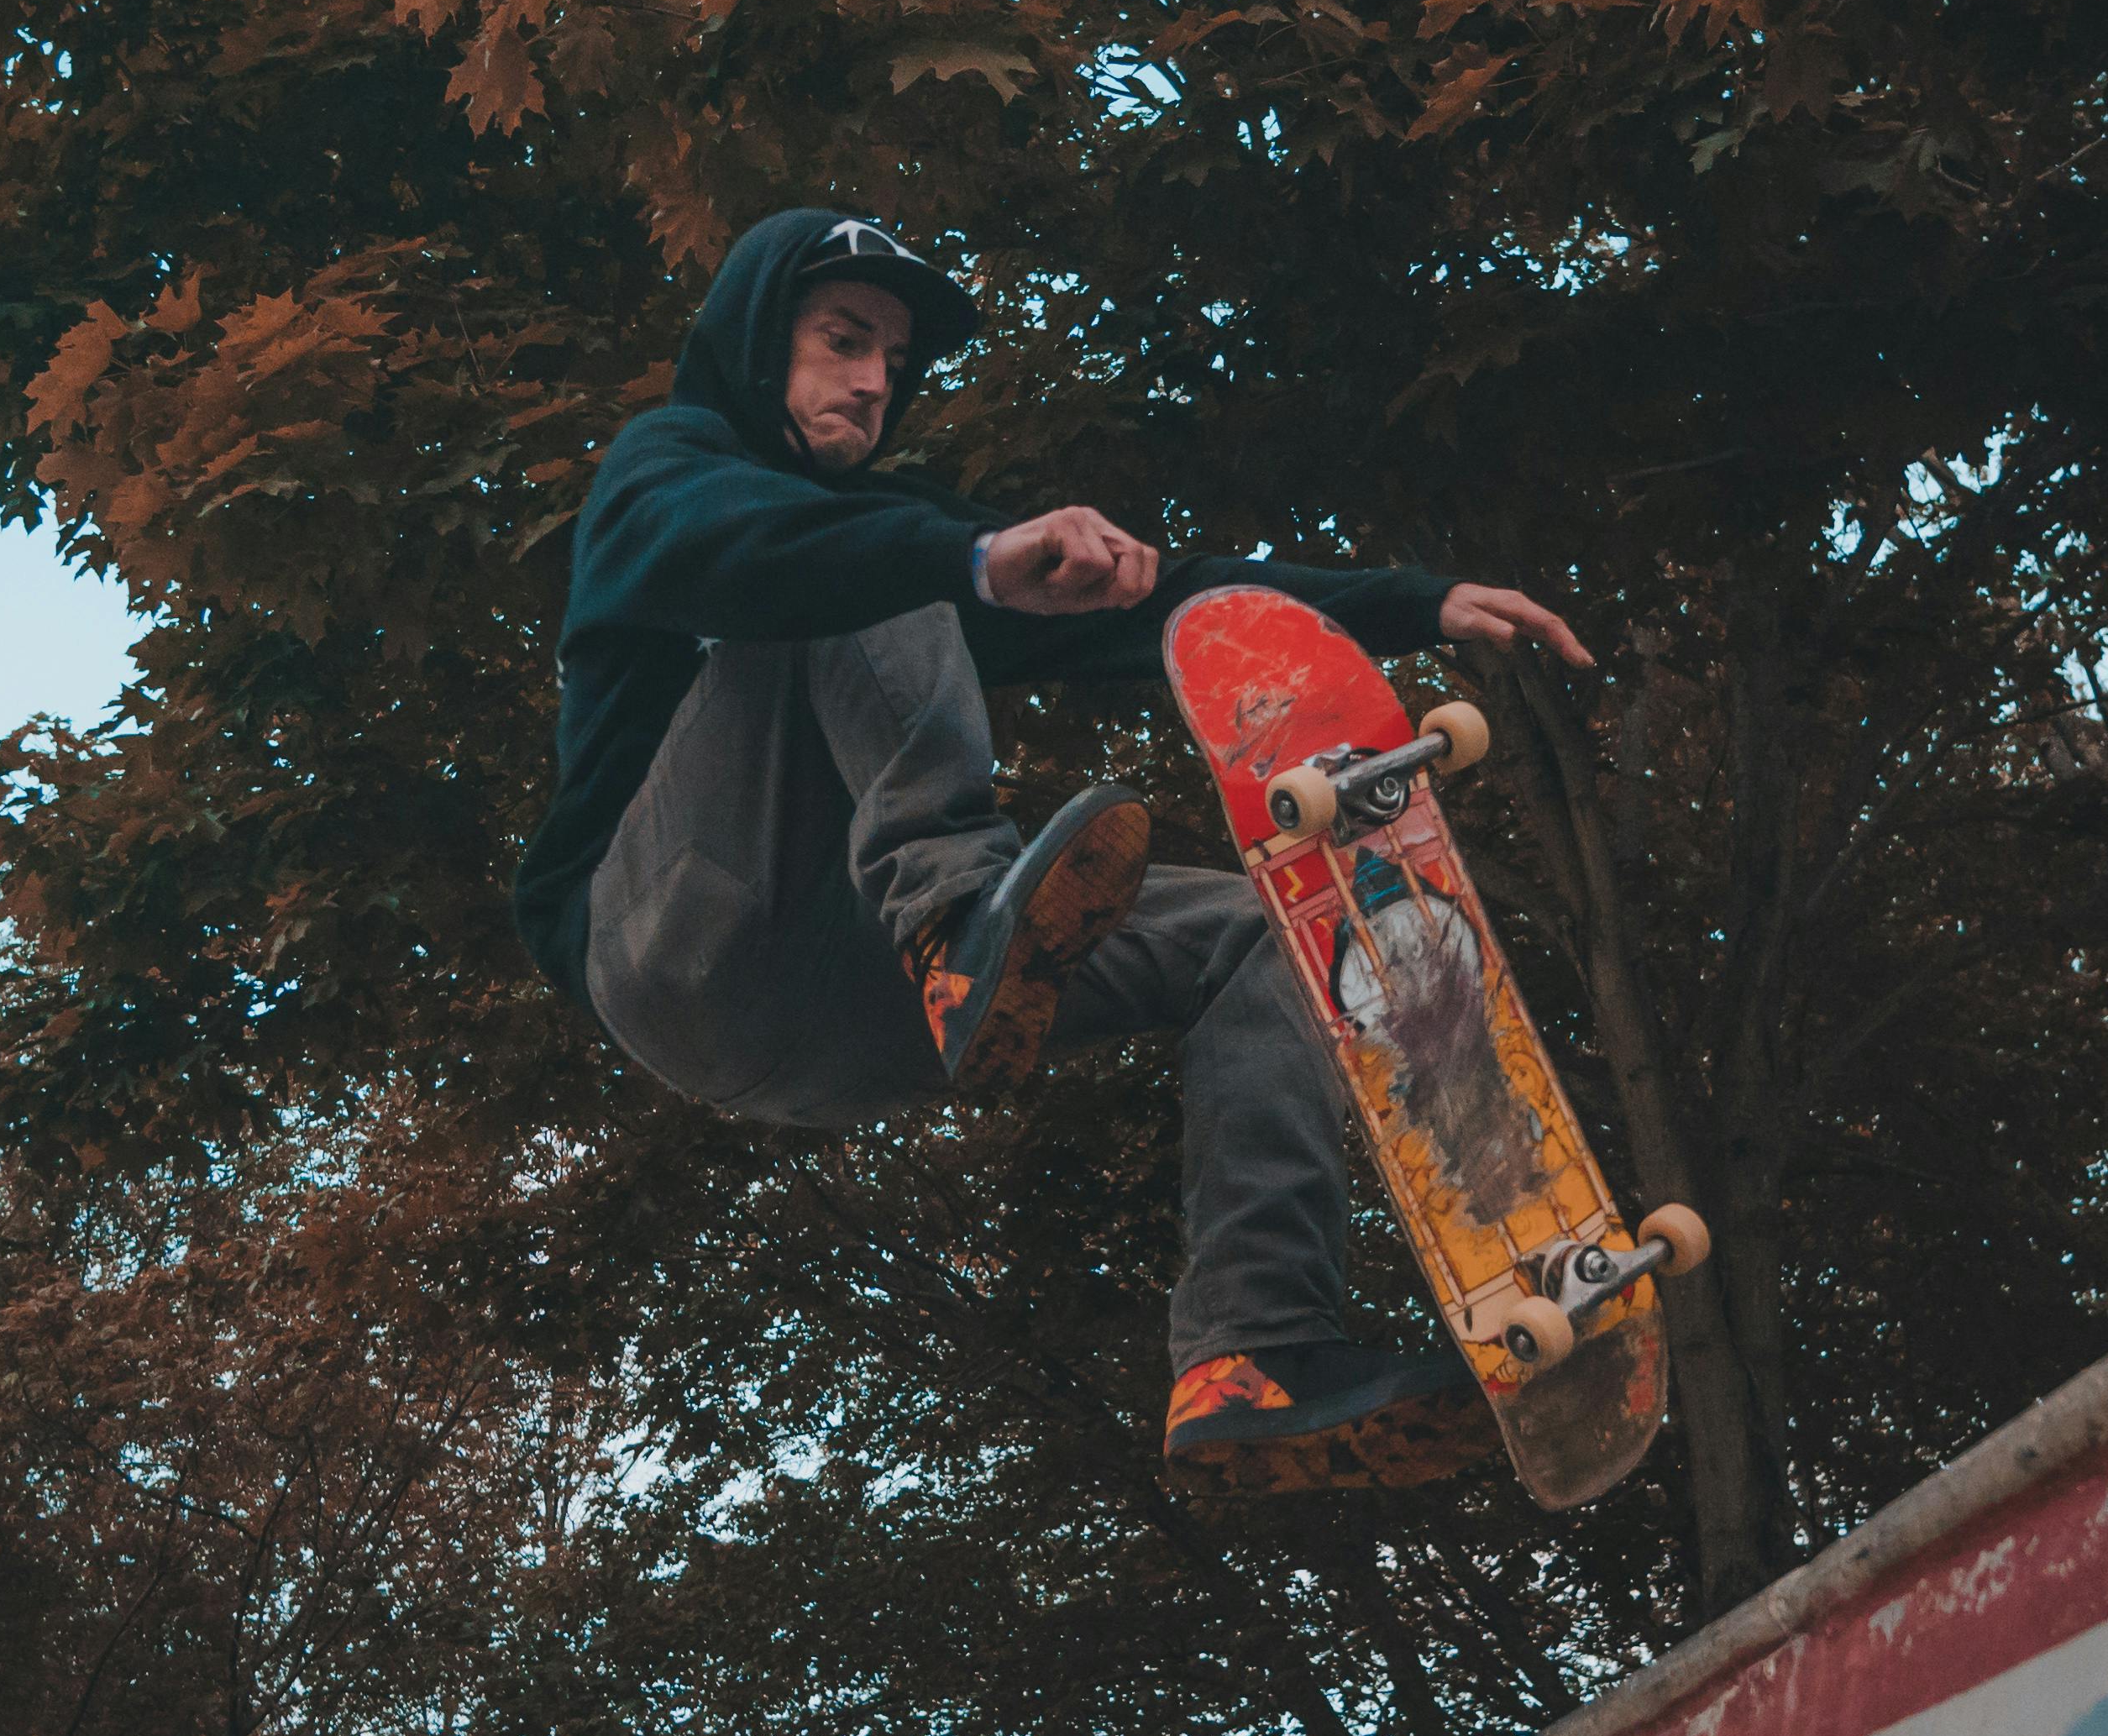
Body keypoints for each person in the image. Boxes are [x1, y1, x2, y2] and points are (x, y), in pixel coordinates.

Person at [516, 207, 1593, 1487]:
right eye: (841, 340)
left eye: (892, 363)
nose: (872, 380)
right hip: (663, 940)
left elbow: (1165, 605)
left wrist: (1406, 603)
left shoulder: (903, 550)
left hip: (846, 1023)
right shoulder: (667, 468)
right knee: (870, 558)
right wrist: (967, 558)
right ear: (758, 342)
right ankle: (958, 910)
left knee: (1265, 934)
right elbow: (741, 549)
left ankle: (1255, 1350)